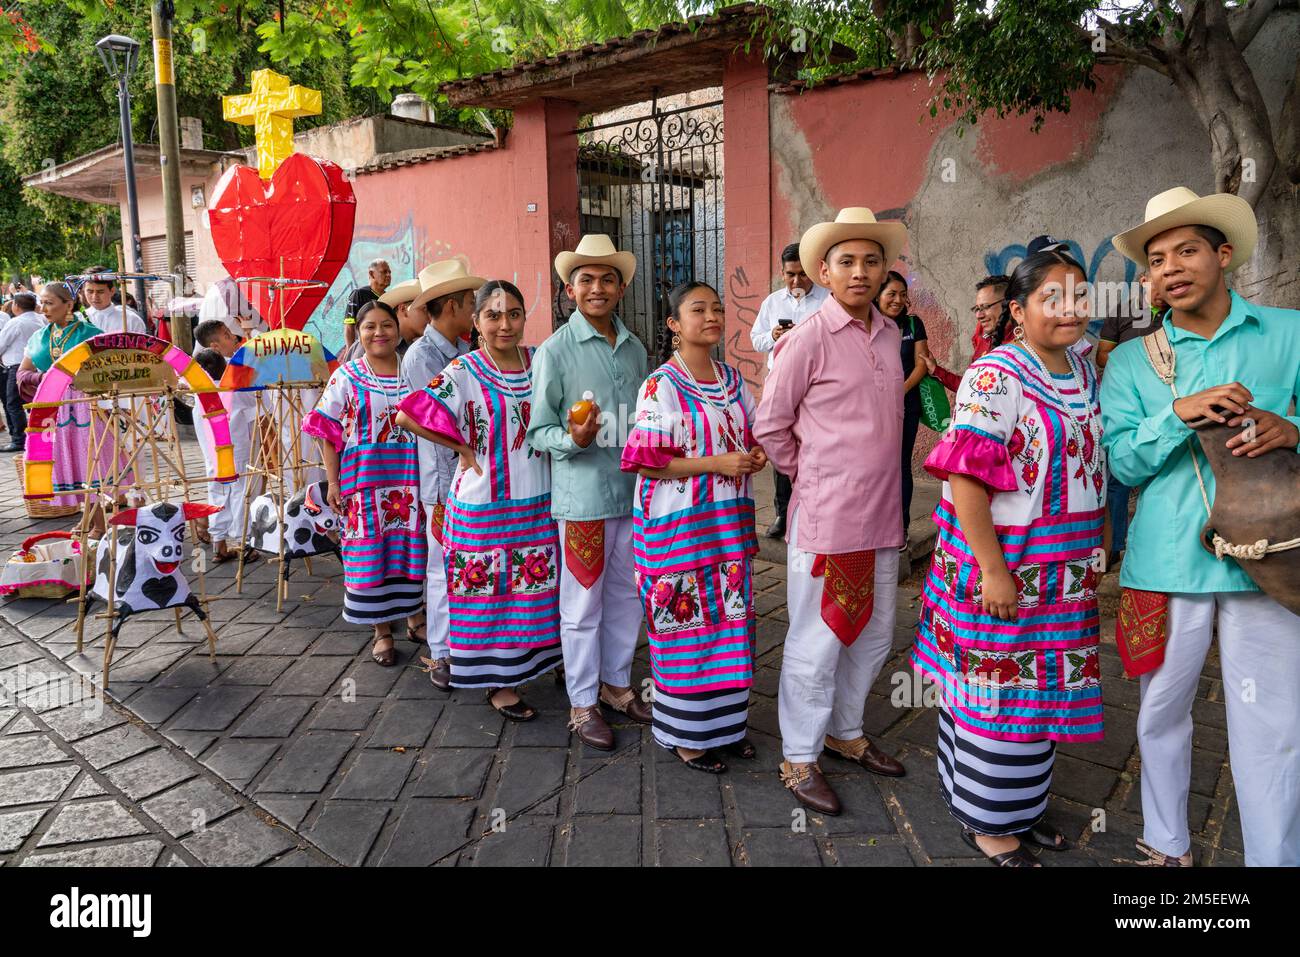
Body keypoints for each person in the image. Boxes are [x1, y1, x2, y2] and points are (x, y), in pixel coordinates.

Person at [1101, 187, 1300, 867]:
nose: (1171, 267)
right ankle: (1166, 846)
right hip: (1165, 563)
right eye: (1156, 259)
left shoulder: (1289, 333)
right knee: (1160, 713)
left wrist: (1292, 428)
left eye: (1186, 250)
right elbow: (1121, 463)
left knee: (1272, 725)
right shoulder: (1132, 362)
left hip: (1269, 562)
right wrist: (1177, 412)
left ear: (1222, 255)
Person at [912, 249, 1106, 867]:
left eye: (1080, 295)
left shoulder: (1080, 368)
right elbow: (966, 481)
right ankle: (987, 821)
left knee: (1043, 688)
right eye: (1053, 297)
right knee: (995, 691)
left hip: (1064, 568)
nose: (1071, 308)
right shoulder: (997, 375)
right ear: (1018, 311)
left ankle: (1021, 807)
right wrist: (993, 569)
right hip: (1002, 563)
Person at [753, 207, 909, 816]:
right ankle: (798, 756)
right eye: (846, 261)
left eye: (872, 260)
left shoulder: (892, 335)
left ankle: (846, 733)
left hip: (883, 516)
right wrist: (811, 475)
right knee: (816, 642)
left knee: (872, 636)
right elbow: (771, 424)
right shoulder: (807, 338)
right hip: (825, 519)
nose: (860, 272)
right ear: (824, 270)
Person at [397, 280, 562, 719]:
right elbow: (408, 414)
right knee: (487, 593)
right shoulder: (464, 371)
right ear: (476, 322)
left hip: (538, 499)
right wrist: (461, 447)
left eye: (513, 314)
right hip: (483, 501)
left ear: (525, 318)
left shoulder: (539, 362)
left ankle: (534, 662)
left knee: (532, 588)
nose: (504, 324)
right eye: (492, 315)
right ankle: (496, 681)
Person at [621, 281, 764, 772]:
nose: (712, 316)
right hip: (676, 527)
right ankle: (686, 735)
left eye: (718, 308)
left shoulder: (732, 379)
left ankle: (725, 727)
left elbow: (747, 434)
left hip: (726, 524)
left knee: (729, 626)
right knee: (684, 628)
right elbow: (647, 464)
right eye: (698, 309)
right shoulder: (660, 385)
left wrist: (752, 455)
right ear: (674, 326)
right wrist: (719, 461)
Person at [527, 234, 652, 750]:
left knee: (628, 596)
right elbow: (538, 430)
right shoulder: (556, 351)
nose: (596, 288)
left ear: (621, 288)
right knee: (581, 603)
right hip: (583, 499)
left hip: (633, 493)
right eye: (586, 280)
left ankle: (616, 684)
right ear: (570, 289)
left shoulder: (636, 347)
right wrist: (572, 438)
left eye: (606, 279)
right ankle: (582, 703)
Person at [304, 300, 426, 667]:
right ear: (359, 332)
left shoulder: (414, 371)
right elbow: (326, 429)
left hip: (410, 479)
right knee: (372, 554)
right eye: (370, 326)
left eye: (386, 325)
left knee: (410, 549)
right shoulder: (348, 375)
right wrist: (332, 481)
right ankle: (381, 631)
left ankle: (415, 617)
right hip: (365, 481)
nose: (379, 333)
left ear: (399, 328)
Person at [399, 260, 481, 690]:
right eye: (470, 304)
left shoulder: (465, 351)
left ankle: (468, 646)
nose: (474, 311)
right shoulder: (422, 357)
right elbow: (434, 418)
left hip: (467, 476)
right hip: (442, 481)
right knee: (441, 567)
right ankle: (442, 652)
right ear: (450, 306)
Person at [16, 282, 120, 521]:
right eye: (42, 303)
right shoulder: (39, 337)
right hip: (51, 406)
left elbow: (109, 370)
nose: (43, 309)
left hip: (85, 405)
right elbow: (22, 373)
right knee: (66, 461)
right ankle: (91, 522)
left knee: (89, 460)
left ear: (69, 305)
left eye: (50, 303)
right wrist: (46, 377)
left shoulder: (90, 335)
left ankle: (98, 523)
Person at [749, 243, 829, 539]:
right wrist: (773, 335)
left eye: (802, 275)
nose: (796, 282)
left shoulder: (826, 300)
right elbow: (756, 339)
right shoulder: (772, 303)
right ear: (782, 273)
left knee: (813, 442)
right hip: (779, 380)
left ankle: (814, 506)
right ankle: (783, 512)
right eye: (790, 275)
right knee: (778, 440)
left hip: (815, 385)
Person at [1097, 273, 1167, 567]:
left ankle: (1158, 545)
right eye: (1156, 275)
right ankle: (1116, 546)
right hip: (1126, 404)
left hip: (1165, 405)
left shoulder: (1178, 314)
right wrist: (1134, 364)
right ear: (1143, 279)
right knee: (1117, 479)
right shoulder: (1123, 312)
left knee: (1165, 474)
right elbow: (1102, 356)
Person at [877, 271, 932, 549]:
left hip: (904, 406)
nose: (898, 300)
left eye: (902, 294)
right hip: (871, 409)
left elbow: (921, 364)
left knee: (900, 466)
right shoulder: (867, 324)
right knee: (873, 466)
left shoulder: (912, 324)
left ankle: (901, 527)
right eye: (891, 294)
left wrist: (898, 393)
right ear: (878, 295)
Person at [927, 275, 1008, 392]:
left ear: (1008, 305)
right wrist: (935, 370)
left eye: (985, 307)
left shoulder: (1025, 345)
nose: (979, 315)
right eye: (977, 309)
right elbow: (972, 387)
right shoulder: (982, 334)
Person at [0, 293, 42, 452]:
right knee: (35, 402)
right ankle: (35, 435)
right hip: (37, 366)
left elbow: (1, 344)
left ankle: (19, 440)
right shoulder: (41, 319)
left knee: (13, 403)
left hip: (18, 367)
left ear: (16, 306)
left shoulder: (15, 322)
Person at [79, 268, 147, 334]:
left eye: (100, 292)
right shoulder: (79, 319)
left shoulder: (131, 320)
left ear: (112, 291)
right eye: (90, 291)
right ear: (84, 291)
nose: (95, 296)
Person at [343, 259, 391, 352]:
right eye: (384, 272)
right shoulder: (359, 294)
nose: (388, 275)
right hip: (363, 349)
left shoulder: (389, 297)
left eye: (389, 272)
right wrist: (350, 351)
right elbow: (349, 325)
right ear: (372, 274)